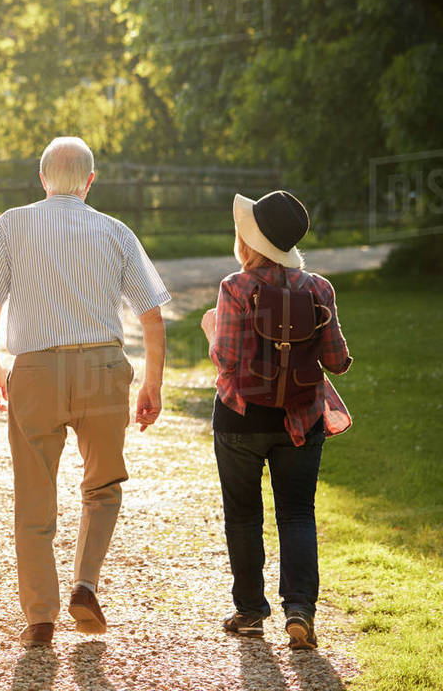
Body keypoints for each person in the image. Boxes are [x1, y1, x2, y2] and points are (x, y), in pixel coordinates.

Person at [0, 137, 170, 647]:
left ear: (42, 178)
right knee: (103, 485)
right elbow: (151, 315)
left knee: (34, 495)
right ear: (89, 181)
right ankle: (85, 584)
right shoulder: (116, 231)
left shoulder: (11, 224)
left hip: (36, 370)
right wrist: (152, 382)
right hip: (102, 366)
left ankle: (40, 616)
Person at [200, 190, 352, 650]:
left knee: (243, 515)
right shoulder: (318, 289)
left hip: (240, 418)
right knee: (297, 513)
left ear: (249, 241)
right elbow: (337, 361)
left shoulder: (235, 287)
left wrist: (211, 329)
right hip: (301, 419)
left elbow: (227, 360)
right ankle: (300, 610)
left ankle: (250, 612)